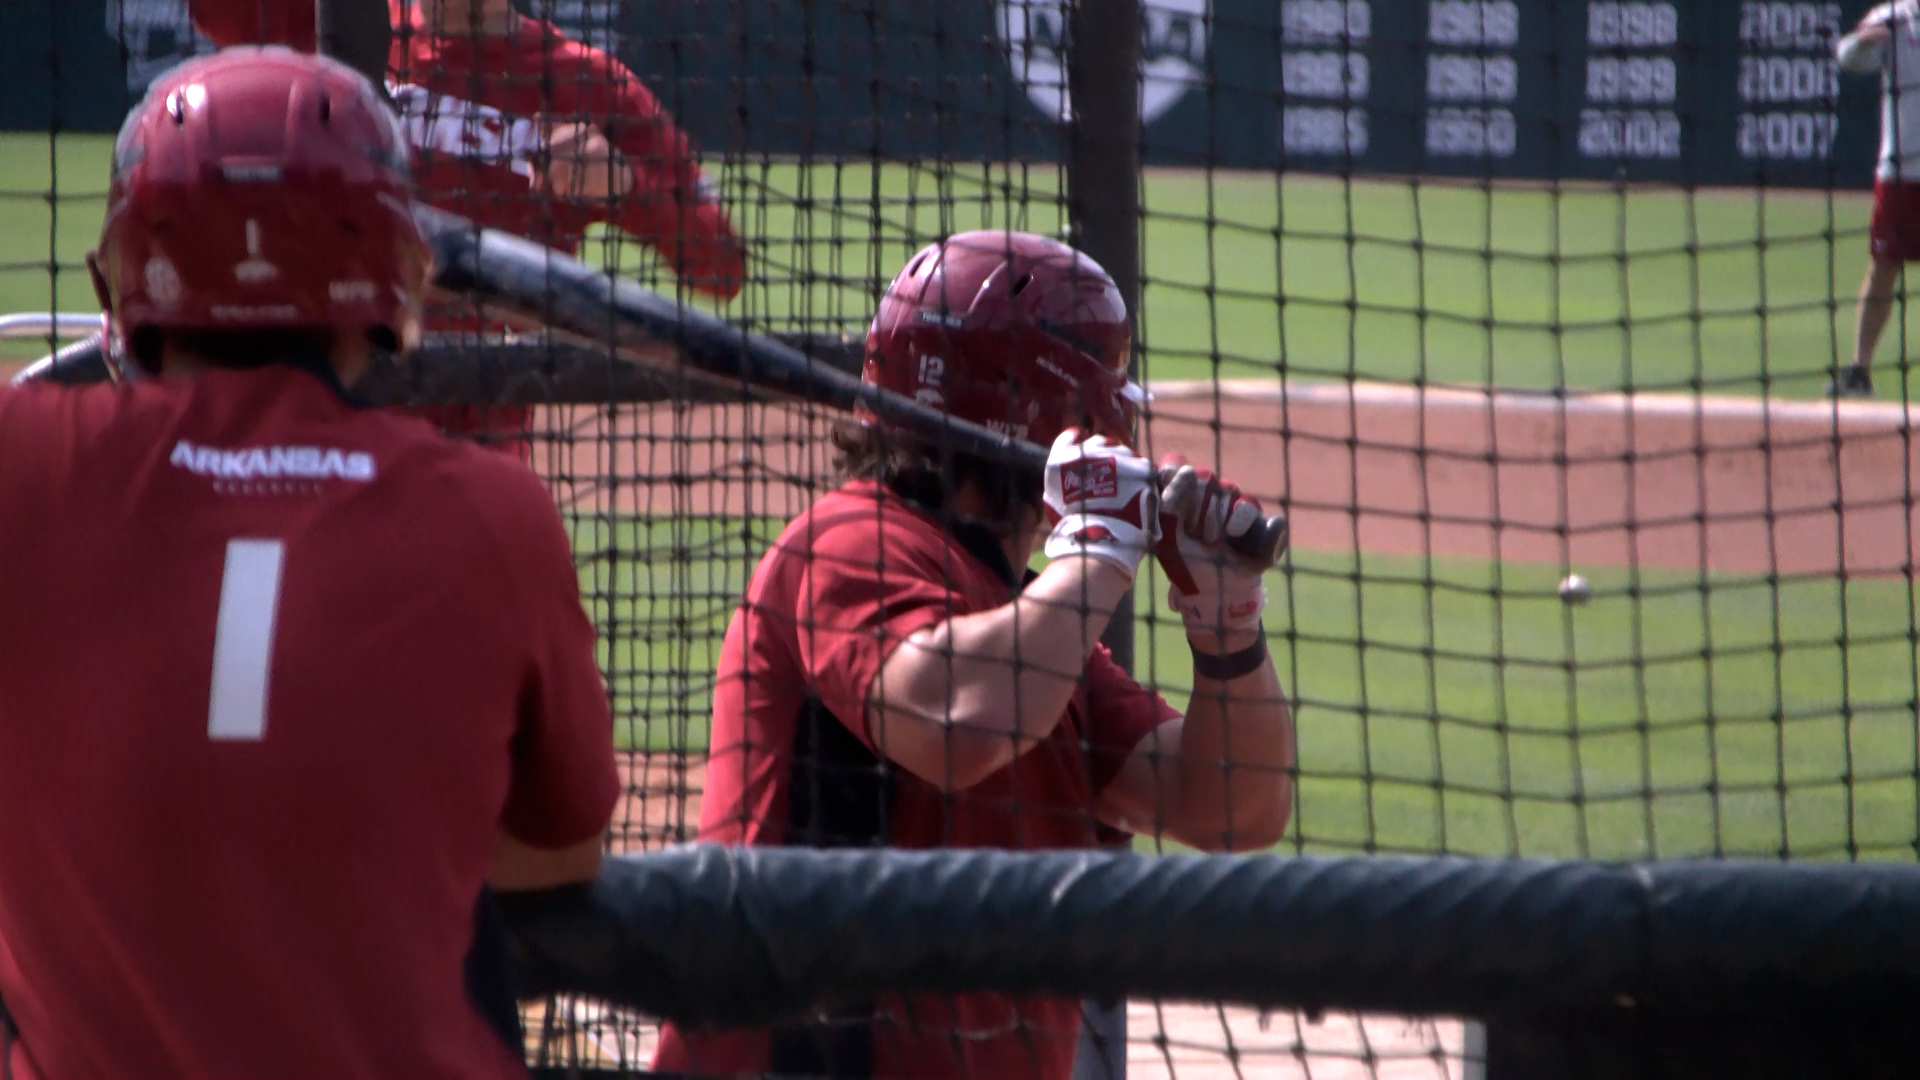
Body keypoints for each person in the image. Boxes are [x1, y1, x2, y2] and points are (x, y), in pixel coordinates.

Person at [0, 49, 619, 1079]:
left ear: (128, 265)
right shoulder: (491, 512)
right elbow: (564, 849)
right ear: (391, 265)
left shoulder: (21, 463)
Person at [651, 232, 1297, 1080]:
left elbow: (1231, 811)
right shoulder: (849, 543)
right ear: (1074, 413)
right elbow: (961, 724)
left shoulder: (1033, 628)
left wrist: (1228, 626)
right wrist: (1098, 549)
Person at [187, 0, 748, 448]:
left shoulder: (588, 83)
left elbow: (721, 264)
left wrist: (625, 186)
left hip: (477, 445)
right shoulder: (340, 28)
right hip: (325, 426)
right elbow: (217, 13)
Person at [1833, 3, 1920, 399]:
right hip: (1900, 171)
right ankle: (1859, 369)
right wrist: (1862, 42)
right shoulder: (1896, 17)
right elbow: (1849, 58)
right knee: (1884, 266)